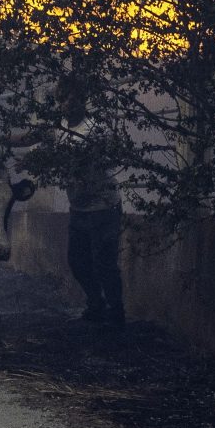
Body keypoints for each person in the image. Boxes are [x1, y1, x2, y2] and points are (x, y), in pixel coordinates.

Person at [57, 85, 124, 326]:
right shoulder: (60, 128)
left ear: (84, 102)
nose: (69, 104)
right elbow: (33, 141)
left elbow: (112, 155)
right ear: (59, 101)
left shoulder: (95, 129)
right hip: (79, 208)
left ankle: (116, 314)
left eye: (75, 99)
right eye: (65, 98)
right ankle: (96, 303)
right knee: (77, 261)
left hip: (103, 207)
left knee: (105, 263)